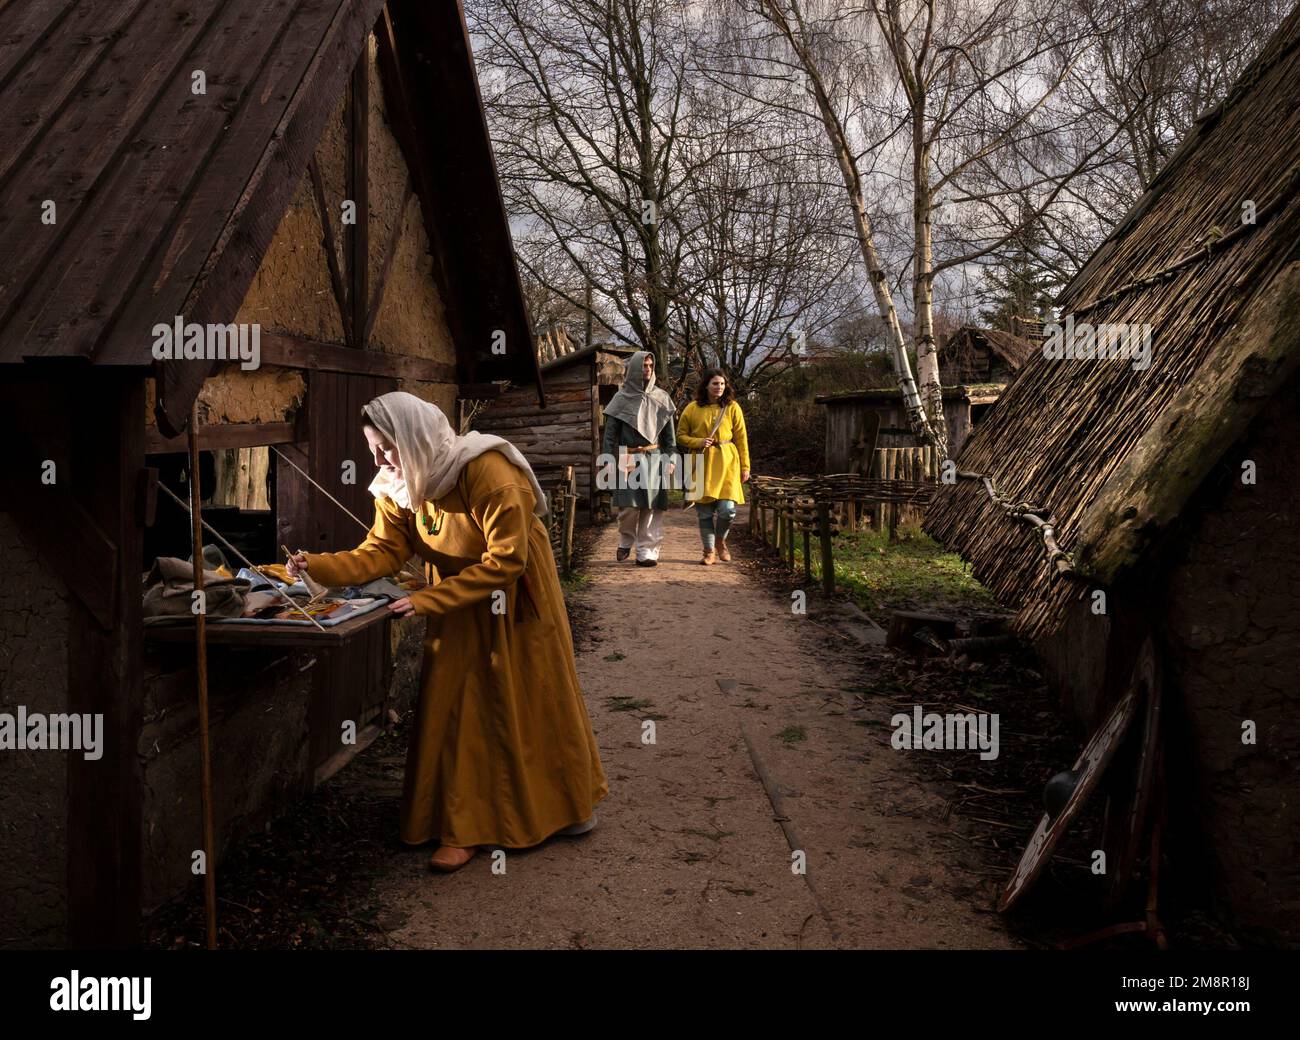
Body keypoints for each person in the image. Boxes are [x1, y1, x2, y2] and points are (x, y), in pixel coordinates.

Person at [285, 392, 607, 872]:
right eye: (372, 449)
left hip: (512, 596)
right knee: (454, 701)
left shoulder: (489, 473)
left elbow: (506, 562)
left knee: (520, 695)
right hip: (455, 595)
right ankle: (459, 820)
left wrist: (425, 601)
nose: (378, 460)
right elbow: (382, 553)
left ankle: (550, 807)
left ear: (413, 439)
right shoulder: (402, 483)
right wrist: (319, 566)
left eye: (386, 448)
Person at [600, 350, 677, 567]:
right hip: (629, 457)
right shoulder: (621, 398)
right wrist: (607, 459)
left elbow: (669, 437)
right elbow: (610, 434)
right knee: (629, 506)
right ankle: (626, 540)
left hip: (654, 456)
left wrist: (671, 459)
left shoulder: (662, 398)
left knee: (651, 507)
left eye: (651, 365)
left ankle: (646, 551)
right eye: (644, 365)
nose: (648, 369)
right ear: (634, 368)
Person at [676, 368, 750, 565]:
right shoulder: (692, 408)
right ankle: (708, 551)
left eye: (722, 384)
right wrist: (698, 442)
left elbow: (742, 438)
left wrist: (745, 466)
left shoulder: (732, 407)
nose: (719, 387)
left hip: (727, 462)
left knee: (727, 511)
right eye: (715, 383)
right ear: (706, 385)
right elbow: (681, 435)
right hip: (700, 462)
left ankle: (720, 541)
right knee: (705, 513)